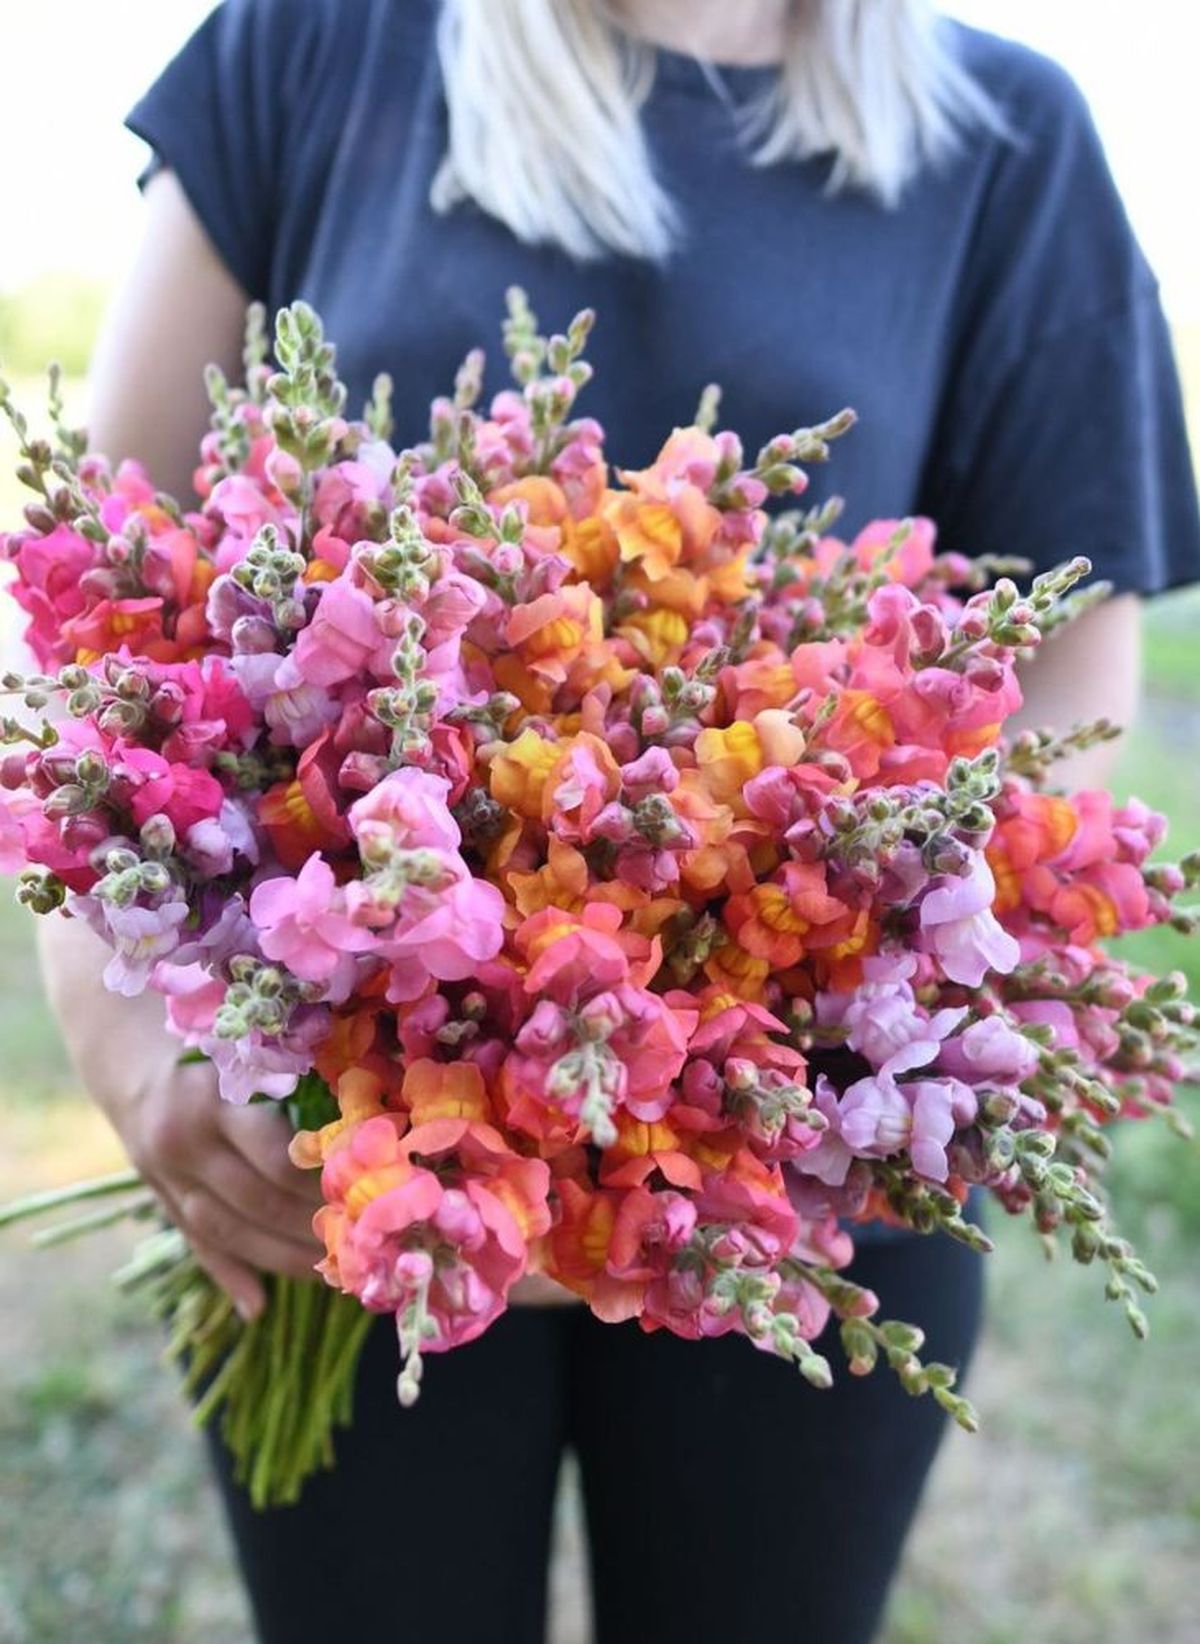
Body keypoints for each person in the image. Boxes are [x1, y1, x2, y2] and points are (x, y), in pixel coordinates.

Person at [38, 2, 1200, 1640]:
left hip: (798, 1150)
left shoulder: (1006, 133)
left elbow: (1067, 675)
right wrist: (109, 1003)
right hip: (329, 1127)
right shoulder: (318, 39)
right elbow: (107, 571)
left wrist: (882, 964)